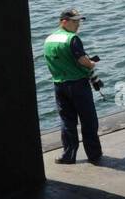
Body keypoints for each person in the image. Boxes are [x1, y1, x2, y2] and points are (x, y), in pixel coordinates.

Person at [43, 9, 102, 165]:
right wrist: (92, 64)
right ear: (64, 22)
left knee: (67, 121)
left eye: (79, 22)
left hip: (59, 85)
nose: (78, 25)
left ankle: (68, 155)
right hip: (77, 85)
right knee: (88, 120)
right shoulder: (72, 39)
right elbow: (82, 60)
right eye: (75, 22)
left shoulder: (49, 39)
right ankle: (94, 154)